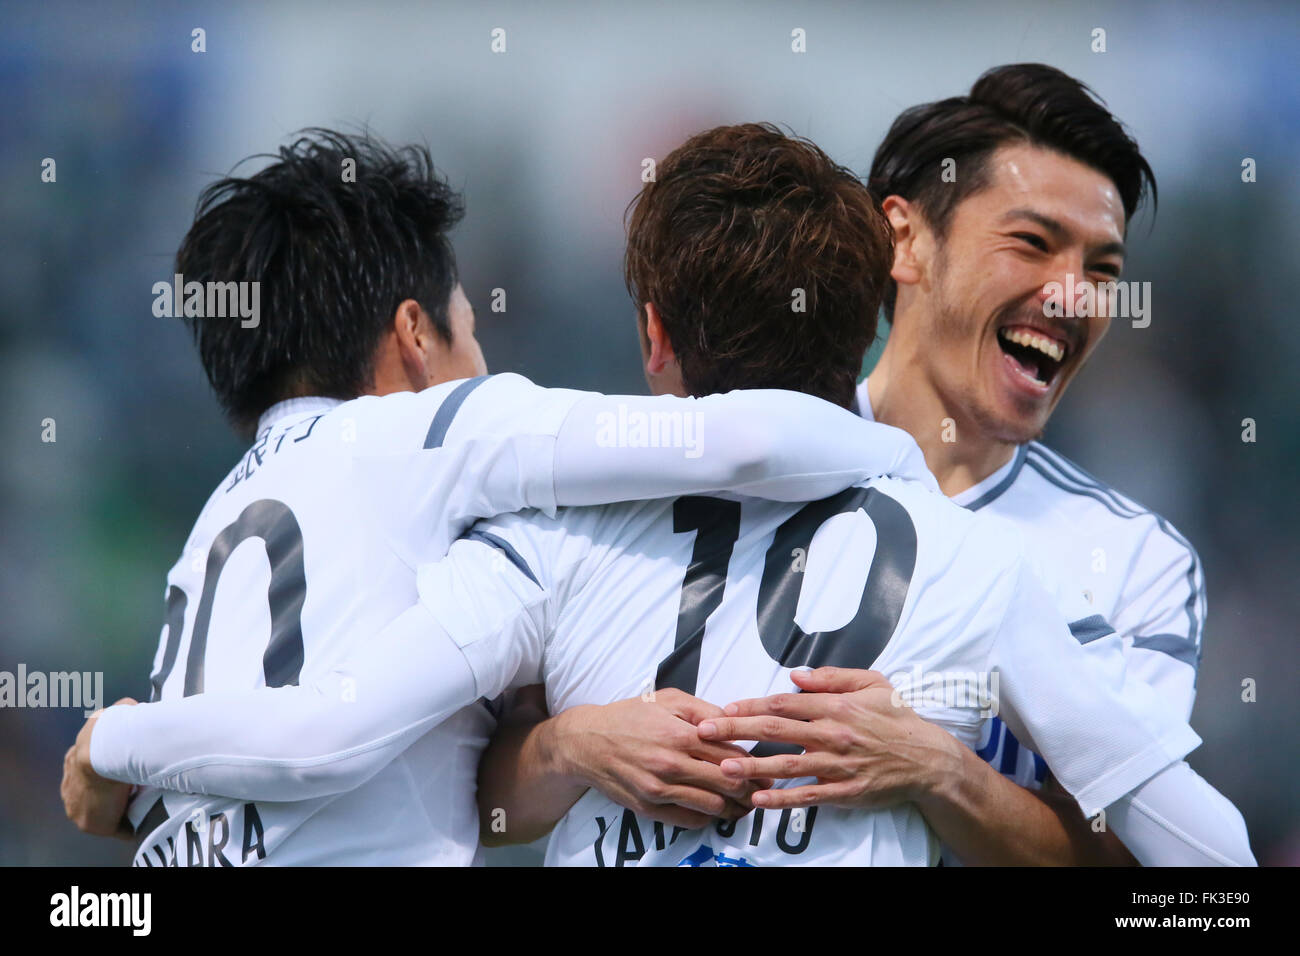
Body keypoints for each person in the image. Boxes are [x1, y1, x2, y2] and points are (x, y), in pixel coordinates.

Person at [67, 124, 1253, 867]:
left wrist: (578, 743)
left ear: (650, 334)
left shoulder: (532, 546)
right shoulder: (978, 566)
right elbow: (1203, 850)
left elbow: (446, 783)